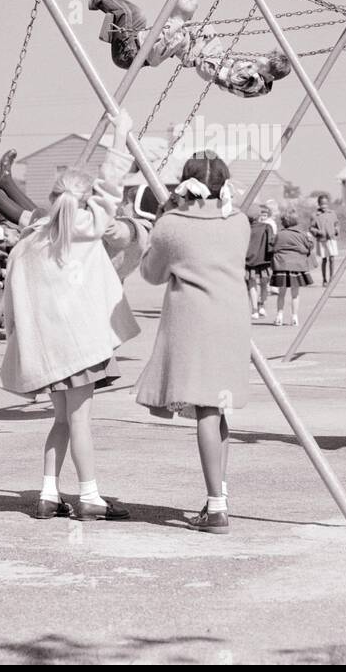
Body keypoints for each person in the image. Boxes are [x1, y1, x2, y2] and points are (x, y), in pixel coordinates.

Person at [0, 111, 141, 521]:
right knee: (81, 422)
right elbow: (110, 188)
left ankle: (47, 494)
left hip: (49, 352)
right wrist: (120, 135)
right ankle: (90, 496)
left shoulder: (28, 243)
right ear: (83, 200)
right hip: (81, 346)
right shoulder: (85, 228)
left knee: (60, 421)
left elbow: (13, 302)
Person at [135, 152, 251, 534]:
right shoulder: (238, 222)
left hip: (194, 322)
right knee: (219, 408)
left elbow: (151, 273)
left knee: (204, 410)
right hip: (232, 319)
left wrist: (163, 216)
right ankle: (220, 493)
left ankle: (216, 506)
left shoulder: (172, 225)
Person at [77, 0, 292, 98]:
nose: (254, 61)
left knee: (124, 13)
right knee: (135, 12)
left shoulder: (253, 82)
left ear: (268, 74)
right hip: (139, 41)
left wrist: (250, 70)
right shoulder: (182, 36)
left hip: (130, 55)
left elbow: (235, 77)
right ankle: (100, 7)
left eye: (259, 64)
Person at [270, 210, 315, 326]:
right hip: (297, 266)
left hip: (281, 266)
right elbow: (309, 247)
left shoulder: (279, 234)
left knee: (281, 293)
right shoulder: (302, 234)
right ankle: (294, 318)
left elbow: (272, 247)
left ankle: (279, 317)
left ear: (284, 222)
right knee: (295, 294)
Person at [245, 206, 274, 320]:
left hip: (249, 260)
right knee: (264, 284)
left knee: (252, 284)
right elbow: (271, 243)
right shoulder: (267, 227)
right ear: (259, 216)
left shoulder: (245, 228)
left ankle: (254, 310)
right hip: (264, 260)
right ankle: (262, 305)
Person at [309, 194, 340, 286]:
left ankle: (331, 278)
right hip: (322, 240)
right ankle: (324, 279)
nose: (324, 206)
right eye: (322, 203)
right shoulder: (315, 215)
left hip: (331, 239)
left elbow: (337, 224)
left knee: (332, 258)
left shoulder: (332, 213)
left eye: (326, 203)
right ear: (319, 204)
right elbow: (311, 228)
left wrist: (336, 230)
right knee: (324, 259)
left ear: (328, 203)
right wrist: (318, 232)